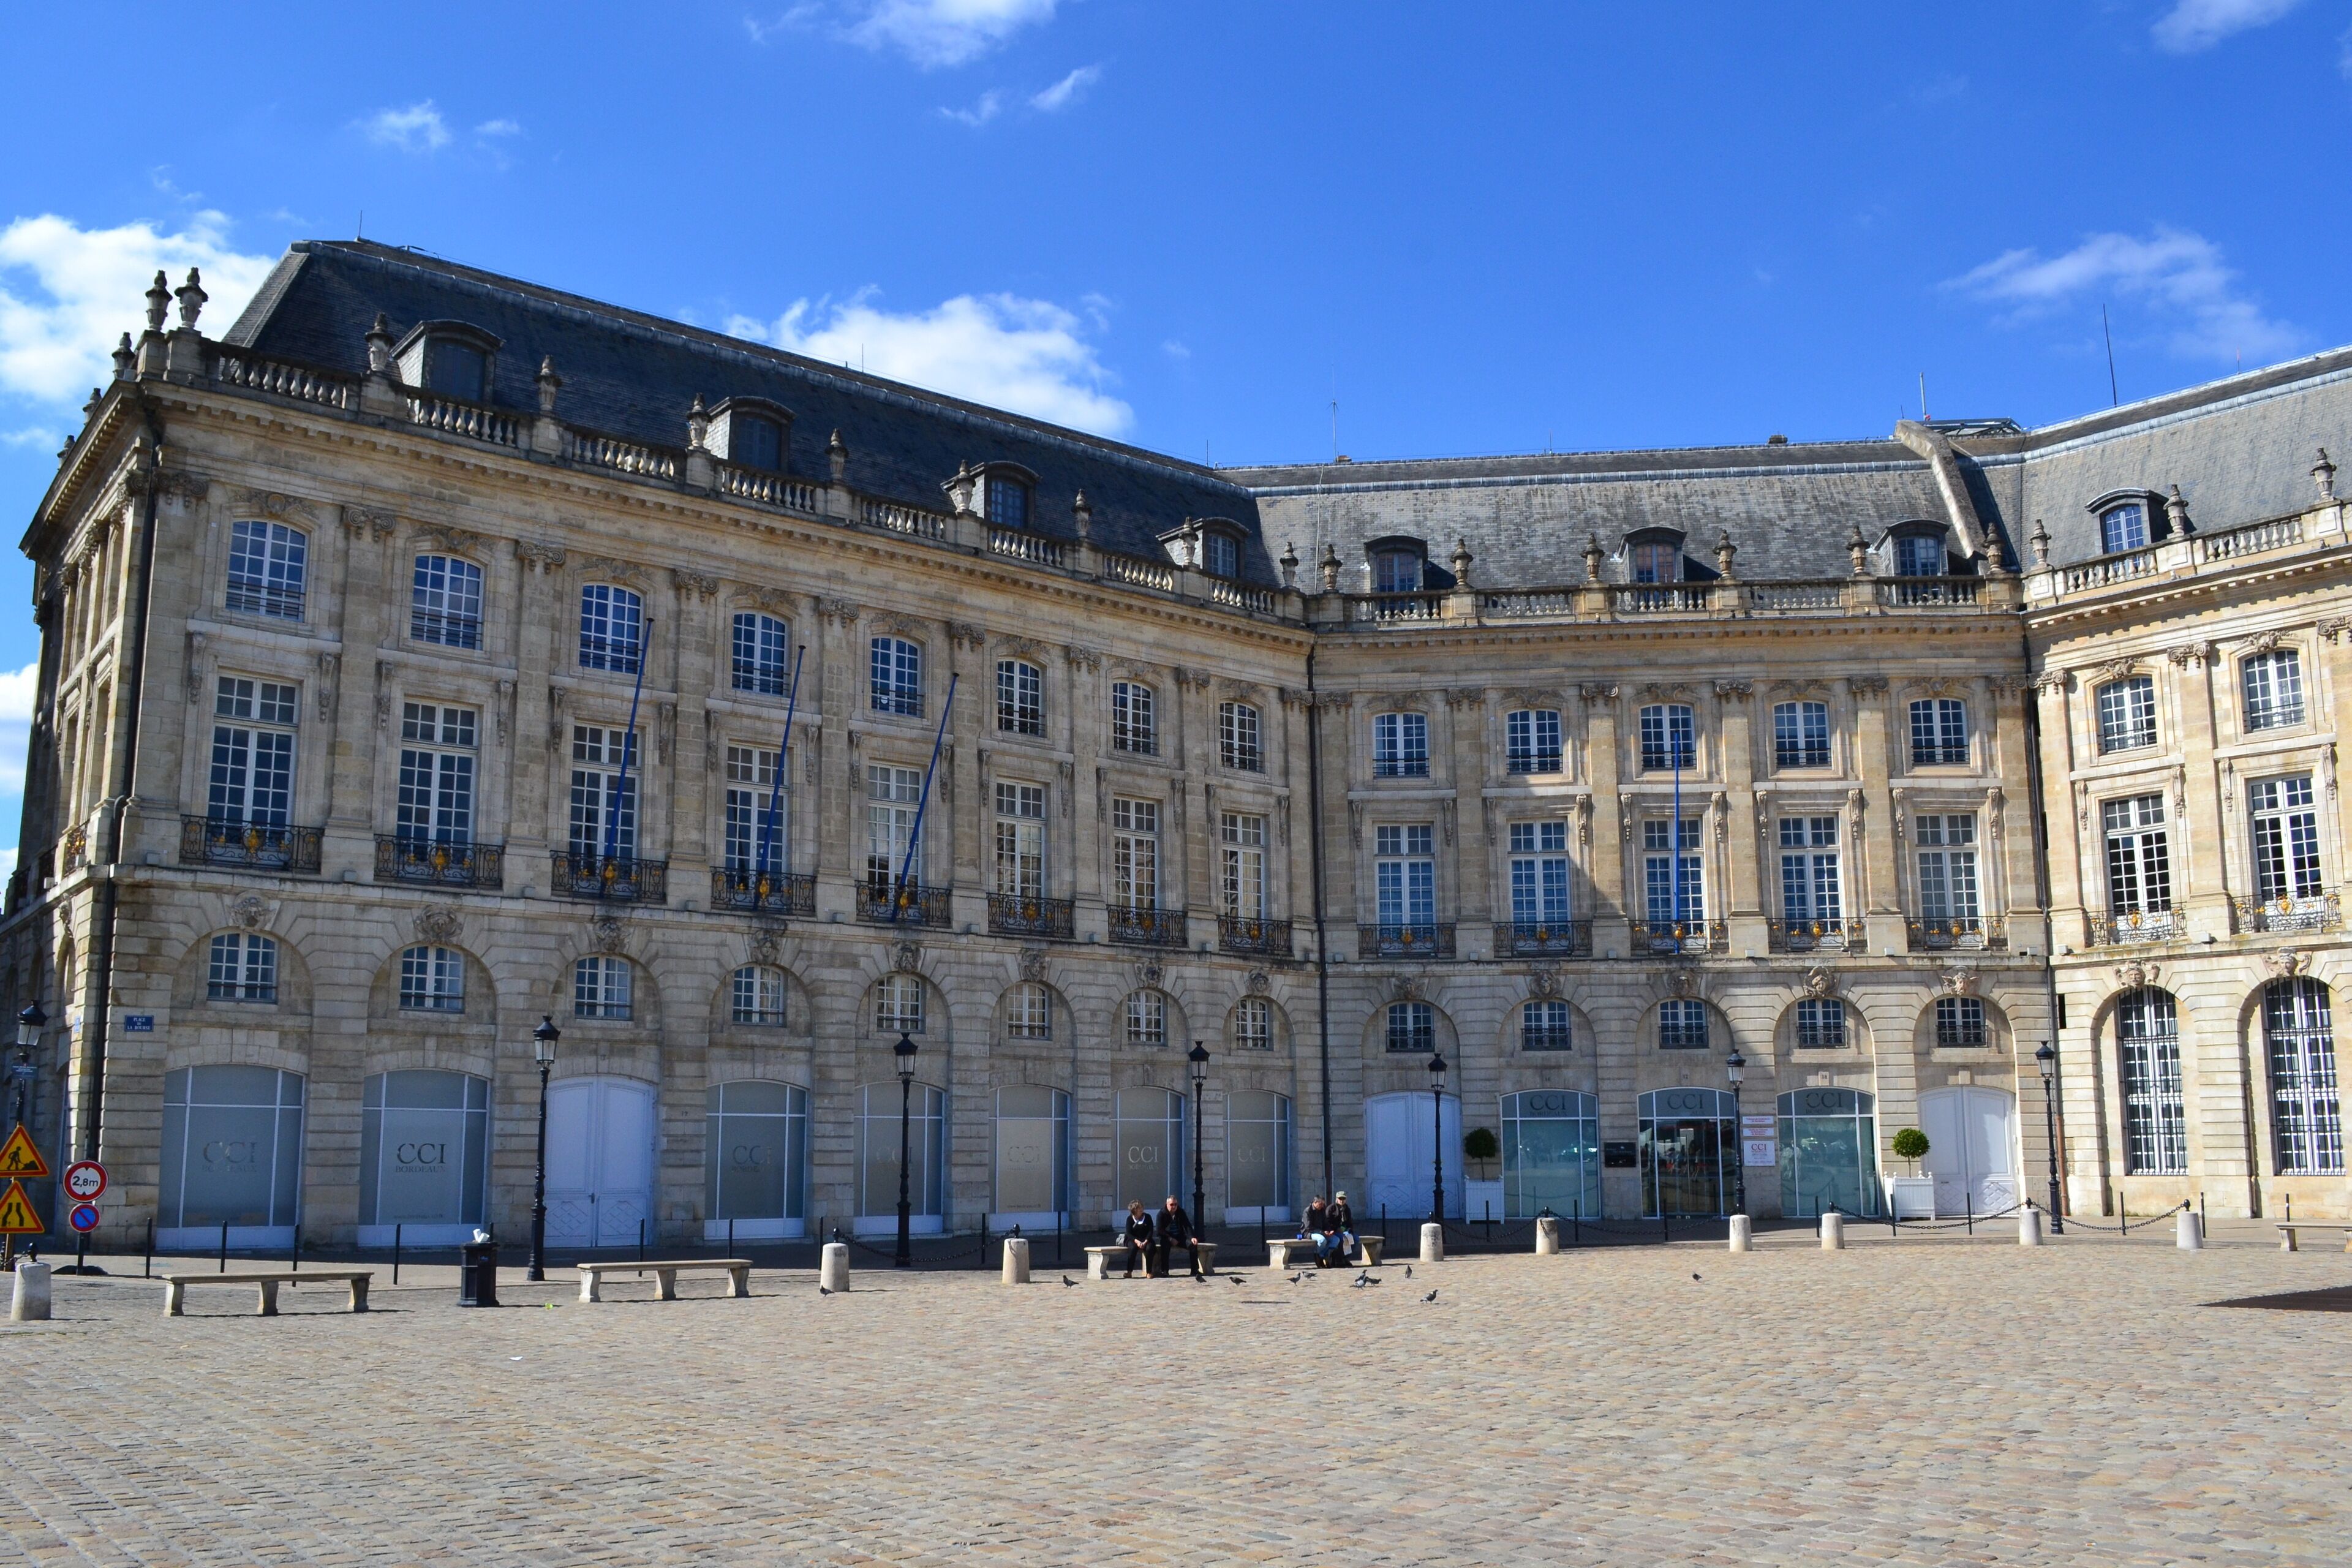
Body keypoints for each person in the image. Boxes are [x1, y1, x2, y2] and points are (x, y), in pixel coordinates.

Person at [1158, 1195, 1204, 1278]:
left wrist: (1192, 1237)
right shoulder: (1162, 1214)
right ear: (1167, 1204)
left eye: (1176, 1204)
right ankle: (1165, 1271)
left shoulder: (1180, 1212)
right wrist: (1170, 1238)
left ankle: (1194, 1270)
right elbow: (1160, 1230)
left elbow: (1187, 1225)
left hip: (1179, 1236)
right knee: (1165, 1247)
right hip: (1167, 1237)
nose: (1174, 1207)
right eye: (1172, 1205)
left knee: (1193, 1245)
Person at [1120, 1200, 1156, 1278]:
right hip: (1133, 1239)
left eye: (1141, 1207)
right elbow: (1129, 1233)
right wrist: (1137, 1242)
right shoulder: (1130, 1219)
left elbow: (1151, 1231)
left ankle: (1149, 1272)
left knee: (1150, 1248)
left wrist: (1145, 1242)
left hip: (1146, 1239)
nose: (1141, 1209)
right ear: (1134, 1210)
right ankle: (1129, 1272)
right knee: (1133, 1248)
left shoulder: (1148, 1217)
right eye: (1139, 1208)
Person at [1325, 1189, 1356, 1268]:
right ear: (1336, 1199)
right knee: (1341, 1239)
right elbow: (1328, 1222)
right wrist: (1336, 1229)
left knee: (1355, 1239)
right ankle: (1339, 1259)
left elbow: (1349, 1222)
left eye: (1343, 1199)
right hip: (1335, 1231)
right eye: (1340, 1199)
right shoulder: (1331, 1208)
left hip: (1345, 1230)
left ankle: (1346, 1257)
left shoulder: (1347, 1209)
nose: (1342, 1201)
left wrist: (1350, 1229)